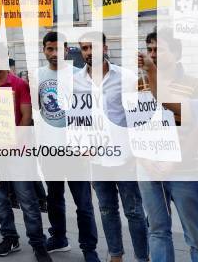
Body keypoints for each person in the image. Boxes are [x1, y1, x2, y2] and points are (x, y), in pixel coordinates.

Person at [137, 29, 198, 261]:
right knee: (157, 231)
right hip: (150, 173)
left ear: (176, 53)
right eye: (149, 49)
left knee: (196, 236)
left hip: (184, 172)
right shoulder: (139, 84)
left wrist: (173, 162)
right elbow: (136, 127)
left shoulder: (196, 85)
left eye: (159, 50)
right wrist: (145, 161)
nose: (152, 54)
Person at [75, 33, 149, 262]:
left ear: (105, 48)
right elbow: (76, 119)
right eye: (85, 48)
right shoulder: (75, 82)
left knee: (134, 212)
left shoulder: (126, 78)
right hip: (97, 161)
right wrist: (81, 148)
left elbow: (140, 118)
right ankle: (116, 256)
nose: (89, 52)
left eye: (93, 47)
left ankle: (142, 257)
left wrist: (138, 153)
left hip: (125, 158)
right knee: (107, 210)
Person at [0, 42, 51, 261]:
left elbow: (26, 117)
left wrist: (10, 144)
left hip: (17, 152)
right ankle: (10, 238)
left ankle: (38, 244)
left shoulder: (19, 84)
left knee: (27, 200)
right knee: (0, 199)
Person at [37, 32, 99, 261]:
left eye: (58, 49)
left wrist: (89, 145)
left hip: (76, 151)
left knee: (83, 204)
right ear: (44, 50)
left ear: (66, 50)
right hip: (49, 150)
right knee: (54, 199)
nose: (54, 53)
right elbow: (36, 110)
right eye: (49, 49)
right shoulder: (37, 76)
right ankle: (59, 238)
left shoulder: (80, 76)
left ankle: (89, 248)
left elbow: (92, 112)